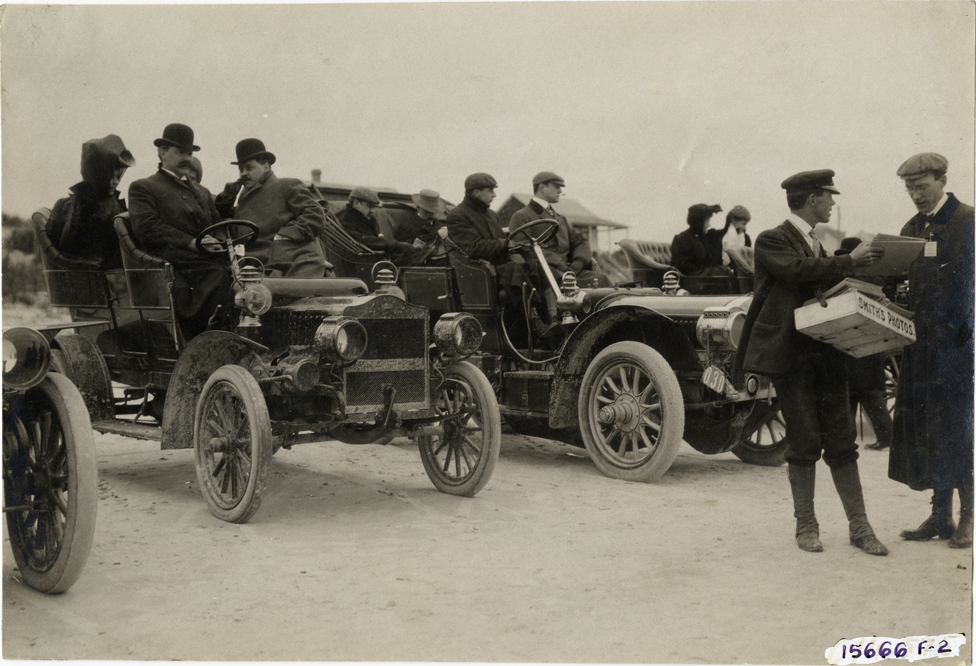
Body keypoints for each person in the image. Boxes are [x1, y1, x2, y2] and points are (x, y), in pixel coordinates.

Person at [735, 169, 888, 555]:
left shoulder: (815, 245)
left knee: (843, 441)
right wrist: (848, 262)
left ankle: (860, 527)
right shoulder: (772, 240)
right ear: (811, 199)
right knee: (803, 442)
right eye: (828, 197)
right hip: (793, 358)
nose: (833, 203)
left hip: (828, 353)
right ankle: (806, 526)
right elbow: (796, 272)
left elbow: (819, 281)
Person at [889, 152, 975, 548]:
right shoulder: (911, 228)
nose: (916, 196)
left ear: (942, 181)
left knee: (957, 430)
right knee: (929, 429)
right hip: (920, 347)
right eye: (910, 189)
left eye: (921, 188)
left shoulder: (967, 221)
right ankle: (939, 516)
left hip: (957, 348)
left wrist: (962, 333)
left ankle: (967, 517)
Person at [128, 123, 234, 340]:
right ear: (162, 153)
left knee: (246, 274)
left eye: (189, 153)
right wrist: (191, 242)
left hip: (208, 258)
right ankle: (207, 341)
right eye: (180, 152)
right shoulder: (144, 187)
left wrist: (222, 242)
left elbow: (218, 224)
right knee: (219, 278)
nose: (187, 158)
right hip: (173, 263)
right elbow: (147, 228)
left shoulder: (202, 192)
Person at [445, 172, 555, 339]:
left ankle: (552, 319)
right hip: (482, 273)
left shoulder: (491, 214)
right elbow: (473, 248)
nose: (494, 195)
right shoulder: (458, 215)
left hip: (501, 269)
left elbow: (504, 241)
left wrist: (520, 246)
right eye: (490, 191)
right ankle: (534, 323)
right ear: (476, 192)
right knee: (516, 270)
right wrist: (505, 244)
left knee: (535, 267)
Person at [215, 138, 327, 278]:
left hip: (279, 263)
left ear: (266, 167)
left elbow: (315, 214)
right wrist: (227, 197)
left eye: (249, 167)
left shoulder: (286, 185)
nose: (243, 173)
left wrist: (285, 236)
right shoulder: (243, 195)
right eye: (241, 169)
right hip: (249, 265)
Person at [834, 237, 893, 451]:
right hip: (871, 341)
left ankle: (847, 439)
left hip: (853, 340)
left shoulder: (847, 275)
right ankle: (884, 437)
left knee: (856, 392)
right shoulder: (875, 275)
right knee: (869, 393)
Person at [508, 171, 612, 291]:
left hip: (568, 271)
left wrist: (579, 262)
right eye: (556, 187)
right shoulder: (522, 216)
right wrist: (558, 262)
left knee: (601, 279)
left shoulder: (560, 218)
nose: (560, 191)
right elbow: (523, 249)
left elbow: (580, 241)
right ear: (542, 187)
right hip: (544, 272)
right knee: (570, 286)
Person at [46, 134, 136, 269]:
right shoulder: (108, 207)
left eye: (118, 176)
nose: (116, 182)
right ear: (97, 173)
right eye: (110, 176)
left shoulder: (63, 205)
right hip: (108, 285)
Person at [336, 186, 415, 263]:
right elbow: (363, 240)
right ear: (356, 203)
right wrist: (396, 245)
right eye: (370, 206)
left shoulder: (367, 219)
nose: (373, 211)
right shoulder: (345, 220)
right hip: (360, 263)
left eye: (374, 207)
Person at [670, 203, 735, 294]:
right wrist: (710, 271)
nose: (709, 225)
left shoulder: (702, 238)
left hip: (702, 277)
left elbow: (718, 235)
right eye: (707, 221)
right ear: (699, 221)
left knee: (727, 270)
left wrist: (727, 223)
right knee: (724, 272)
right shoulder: (683, 239)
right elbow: (684, 267)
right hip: (691, 279)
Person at [394, 189, 449, 266]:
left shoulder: (442, 226)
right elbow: (399, 256)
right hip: (416, 269)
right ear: (418, 207)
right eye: (427, 211)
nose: (431, 214)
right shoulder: (406, 227)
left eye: (434, 211)